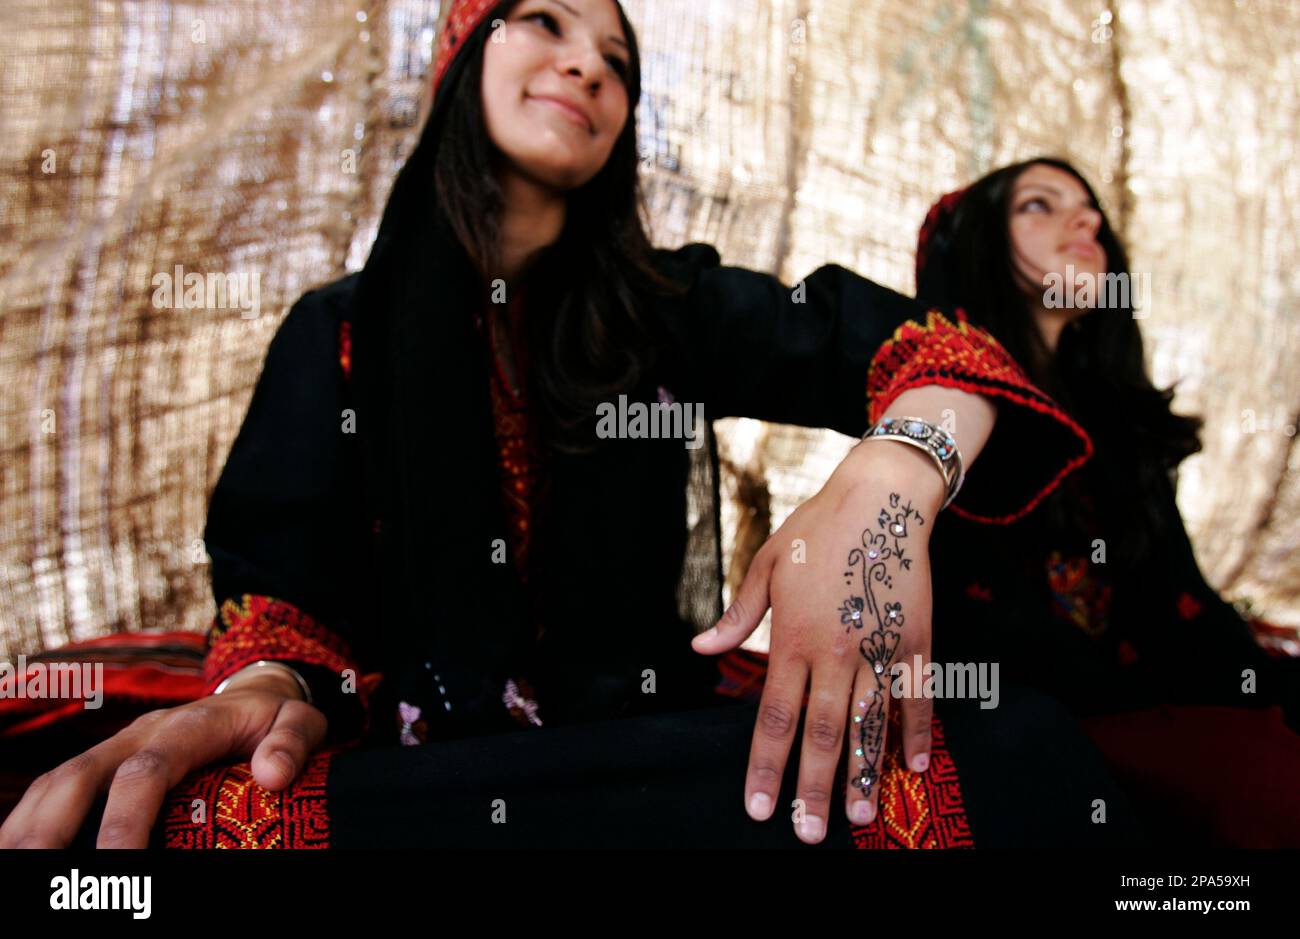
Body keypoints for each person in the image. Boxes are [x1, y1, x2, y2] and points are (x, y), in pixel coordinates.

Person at [1, 2, 1100, 850]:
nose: (587, 64)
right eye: (547, 23)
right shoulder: (341, 333)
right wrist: (264, 692)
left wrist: (888, 480)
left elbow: (936, 351)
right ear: (461, 54)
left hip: (645, 740)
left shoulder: (673, 309)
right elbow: (286, 599)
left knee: (1010, 755)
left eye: (617, 61)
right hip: (421, 760)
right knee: (180, 823)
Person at [916, 157, 1300, 847]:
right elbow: (979, 648)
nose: (1087, 218)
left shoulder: (1119, 426)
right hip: (1025, 729)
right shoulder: (936, 405)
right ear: (976, 247)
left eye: (1089, 206)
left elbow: (1183, 608)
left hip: (1151, 711)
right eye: (1039, 204)